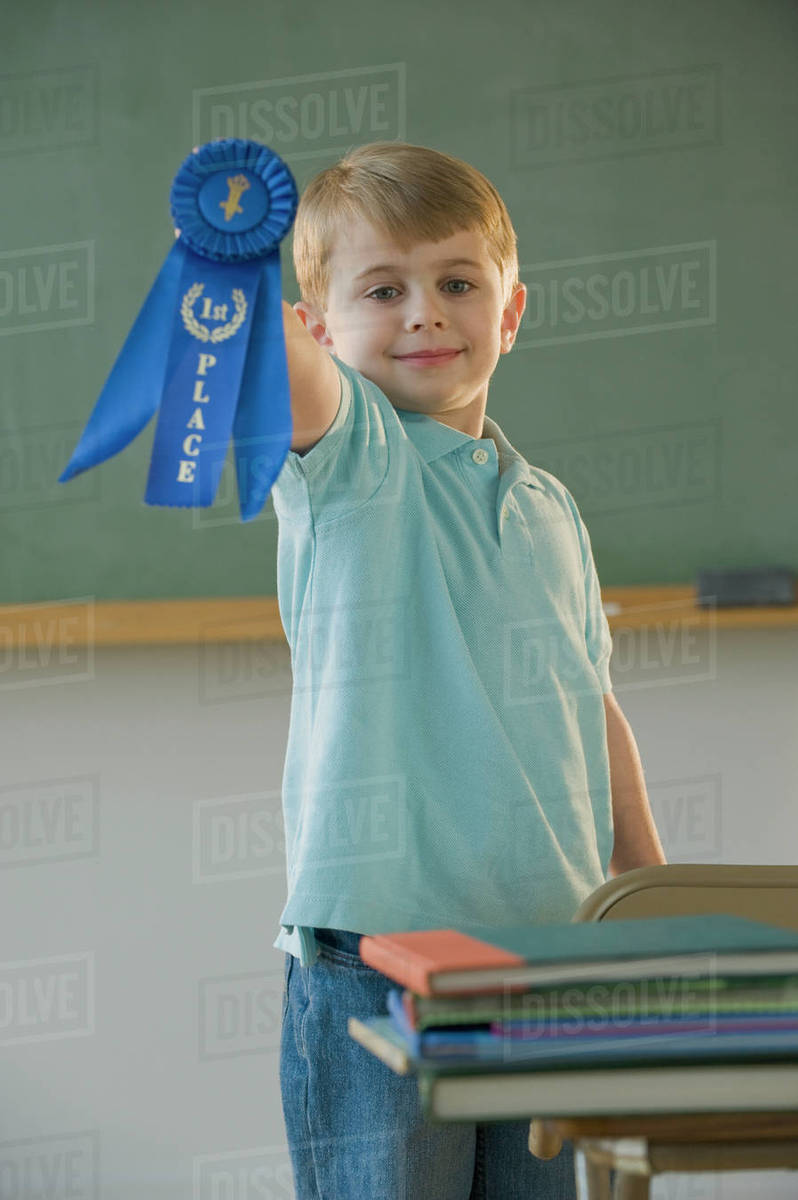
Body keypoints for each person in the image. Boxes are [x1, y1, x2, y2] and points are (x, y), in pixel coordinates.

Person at [271, 141, 666, 1198]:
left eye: (457, 283)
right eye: (382, 290)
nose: (424, 315)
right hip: (377, 960)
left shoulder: (550, 505)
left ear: (512, 311)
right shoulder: (352, 459)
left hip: (545, 957)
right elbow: (291, 378)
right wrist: (228, 278)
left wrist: (650, 890)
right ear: (319, 326)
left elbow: (594, 705)